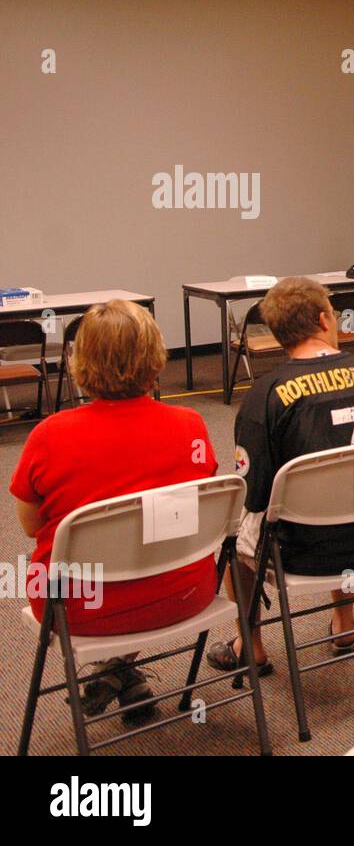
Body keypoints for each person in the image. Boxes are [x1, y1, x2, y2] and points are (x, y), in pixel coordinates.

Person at [10, 301, 218, 724]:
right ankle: (123, 672)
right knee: (147, 546)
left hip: (80, 609)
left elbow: (32, 527)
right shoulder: (191, 423)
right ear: (156, 356)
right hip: (185, 592)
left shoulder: (49, 436)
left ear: (79, 361)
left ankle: (115, 670)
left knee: (87, 563)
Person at [207, 277, 354, 675]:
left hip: (304, 551)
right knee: (352, 488)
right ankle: (344, 623)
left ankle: (250, 647)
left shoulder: (265, 394)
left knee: (234, 534)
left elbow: (255, 496)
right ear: (323, 319)